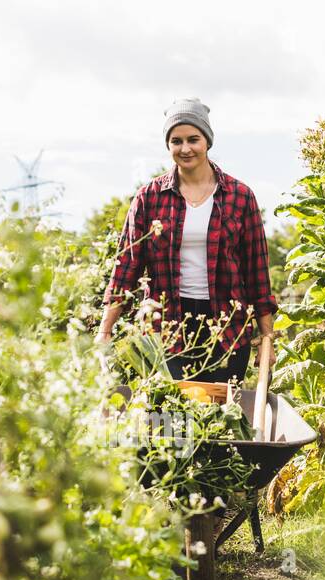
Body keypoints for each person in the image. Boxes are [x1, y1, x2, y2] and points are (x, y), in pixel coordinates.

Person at [98, 97, 276, 383]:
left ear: (207, 141)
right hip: (165, 326)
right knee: (171, 415)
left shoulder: (240, 196)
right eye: (176, 141)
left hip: (226, 326)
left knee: (221, 418)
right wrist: (105, 329)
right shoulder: (150, 197)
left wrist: (268, 337)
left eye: (193, 139)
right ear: (168, 145)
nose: (185, 148)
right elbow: (126, 267)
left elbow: (256, 274)